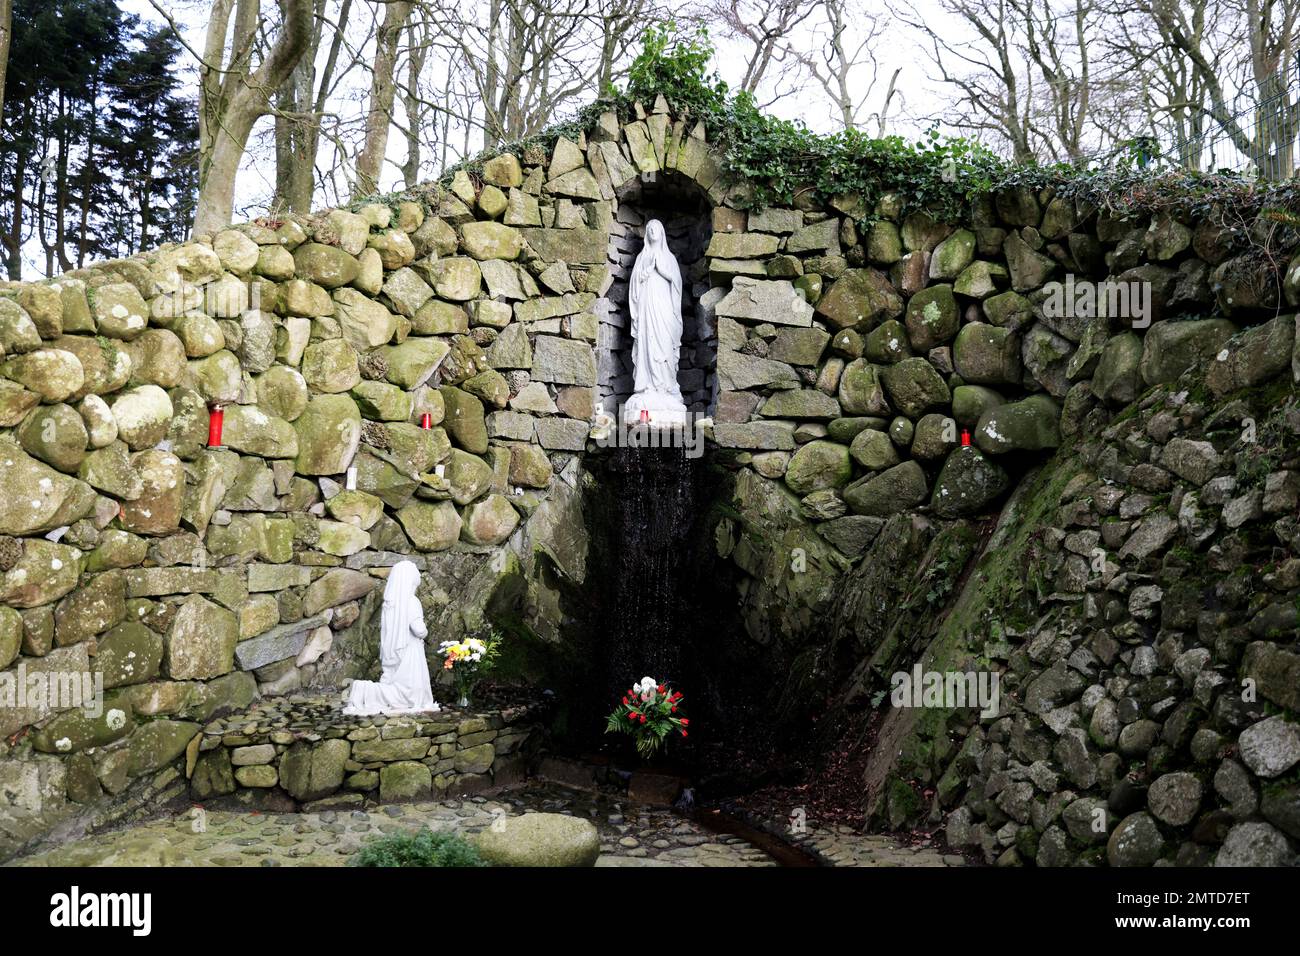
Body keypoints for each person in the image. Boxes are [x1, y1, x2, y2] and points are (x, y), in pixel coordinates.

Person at [343, 560, 439, 715]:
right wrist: (425, 631)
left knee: (401, 689)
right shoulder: (411, 601)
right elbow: (419, 630)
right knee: (410, 692)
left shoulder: (390, 604)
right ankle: (363, 690)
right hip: (409, 652)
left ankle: (364, 691)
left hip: (392, 651)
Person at [626, 218, 685, 418]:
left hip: (665, 310)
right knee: (647, 344)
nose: (652, 232)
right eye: (649, 229)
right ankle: (647, 387)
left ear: (662, 234)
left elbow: (677, 283)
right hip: (646, 309)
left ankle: (666, 386)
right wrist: (646, 271)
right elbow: (634, 286)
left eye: (656, 229)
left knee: (665, 343)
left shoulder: (669, 259)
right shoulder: (642, 258)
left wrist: (663, 271)